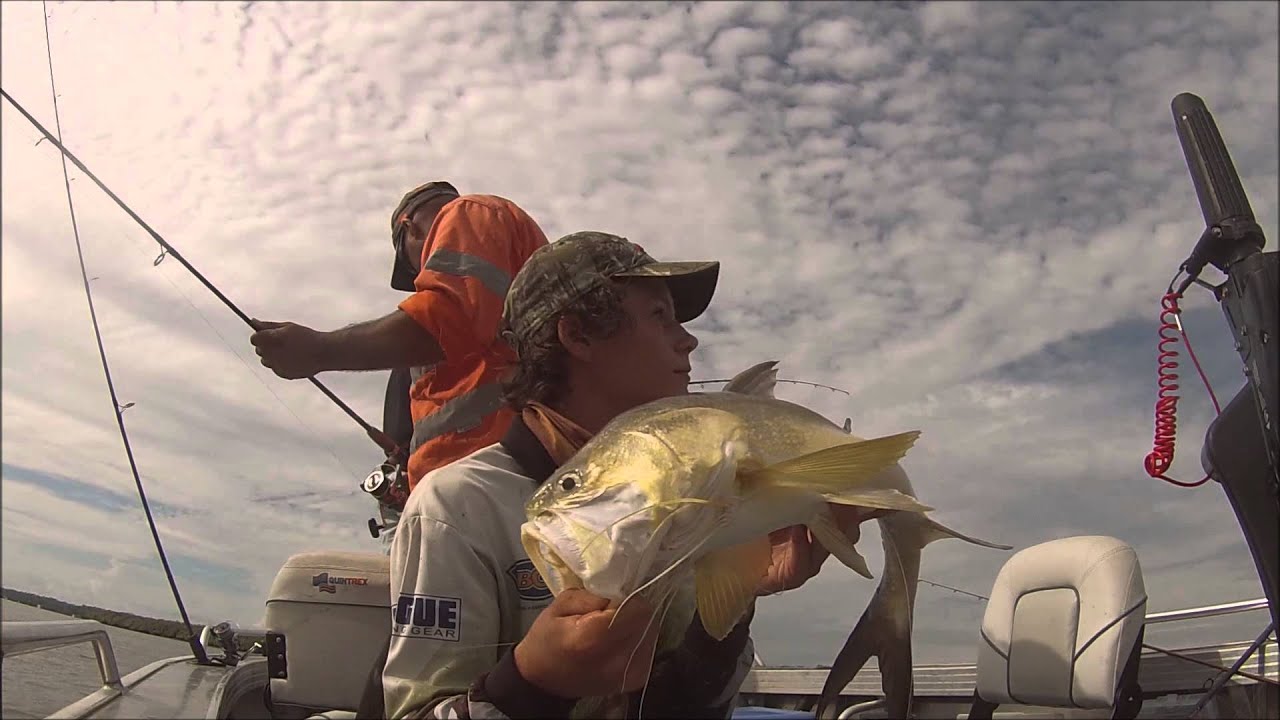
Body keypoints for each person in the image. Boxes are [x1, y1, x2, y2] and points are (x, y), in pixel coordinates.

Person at [380, 231, 866, 719]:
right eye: (660, 317)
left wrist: (734, 603)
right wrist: (533, 684)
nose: (689, 339)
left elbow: (682, 709)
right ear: (579, 336)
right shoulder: (455, 506)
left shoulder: (682, 495)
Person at [249, 181, 549, 545]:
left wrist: (320, 350)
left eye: (411, 263)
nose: (419, 277)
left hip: (500, 484)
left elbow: (451, 317)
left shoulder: (469, 213)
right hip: (478, 494)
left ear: (410, 227)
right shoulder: (429, 353)